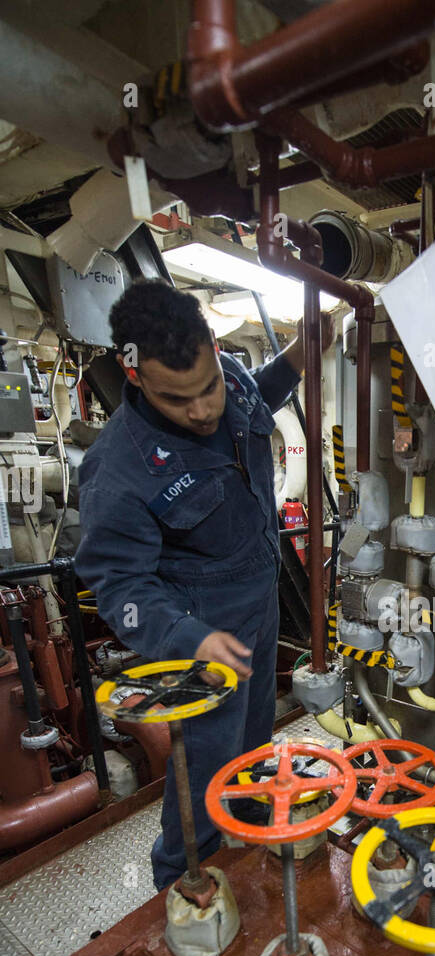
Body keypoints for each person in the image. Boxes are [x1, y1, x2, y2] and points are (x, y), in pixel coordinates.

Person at [76, 278, 333, 891]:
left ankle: (241, 839)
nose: (202, 410)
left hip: (259, 600)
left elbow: (257, 394)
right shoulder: (117, 470)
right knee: (205, 763)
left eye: (208, 387)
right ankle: (181, 881)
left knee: (251, 743)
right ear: (132, 374)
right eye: (178, 399)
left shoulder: (230, 377)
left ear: (215, 350)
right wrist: (190, 637)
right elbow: (119, 586)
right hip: (201, 629)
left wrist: (300, 353)